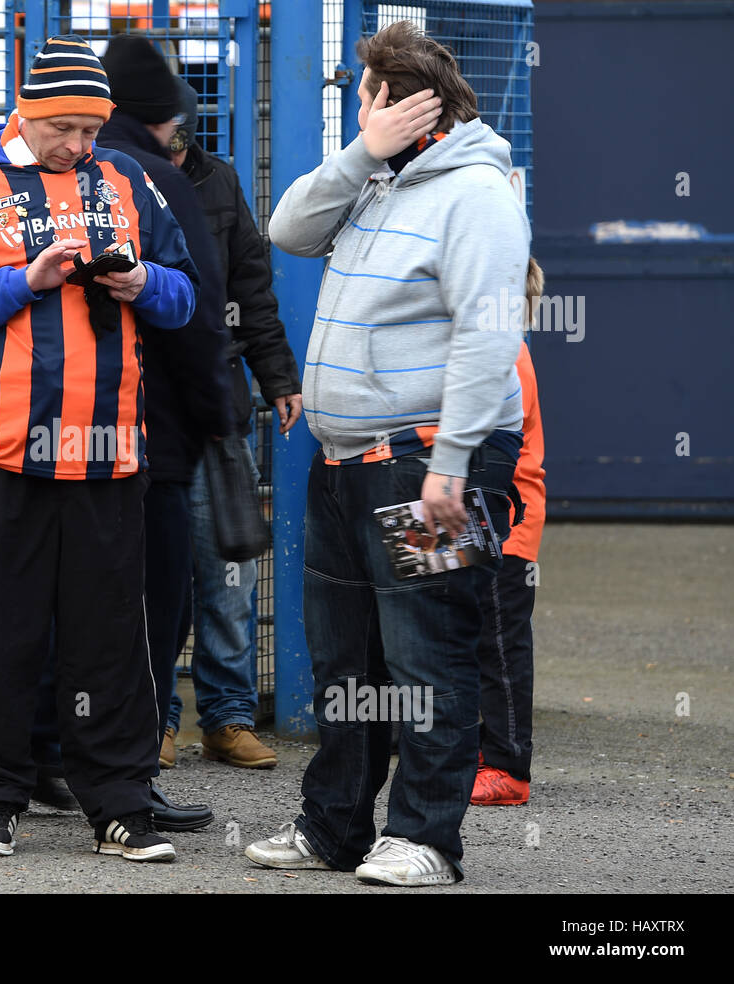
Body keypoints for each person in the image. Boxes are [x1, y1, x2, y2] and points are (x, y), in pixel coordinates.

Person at [244, 20, 529, 886]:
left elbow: (488, 339)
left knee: (426, 652)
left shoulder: (475, 194)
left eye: (364, 99)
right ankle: (334, 828)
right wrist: (361, 154)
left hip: (428, 463)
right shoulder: (379, 180)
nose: (352, 113)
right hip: (346, 463)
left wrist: (451, 468)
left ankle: (427, 841)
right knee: (347, 661)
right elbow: (288, 229)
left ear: (402, 107)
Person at [0, 35, 201, 862]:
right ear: (26, 115)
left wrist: (143, 282)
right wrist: (24, 281)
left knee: (110, 637)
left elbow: (185, 296)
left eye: (91, 128)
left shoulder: (126, 178)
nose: (80, 145)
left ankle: (118, 804)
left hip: (110, 452)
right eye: (65, 128)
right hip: (2, 454)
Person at [92, 36, 234, 832]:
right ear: (166, 113)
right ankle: (131, 778)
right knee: (155, 609)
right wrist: (217, 417)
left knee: (74, 604)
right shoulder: (163, 183)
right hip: (159, 439)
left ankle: (51, 754)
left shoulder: (56, 177)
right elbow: (199, 318)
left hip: (68, 437)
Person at [164, 77, 303, 770]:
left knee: (230, 573)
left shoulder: (217, 184)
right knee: (150, 576)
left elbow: (252, 287)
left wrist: (277, 378)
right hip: (148, 408)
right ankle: (154, 721)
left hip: (218, 410)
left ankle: (226, 717)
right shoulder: (112, 179)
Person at [473, 262, 547, 807]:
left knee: (501, 647)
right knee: (477, 641)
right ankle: (486, 750)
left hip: (508, 528)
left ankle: (508, 767)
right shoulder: (499, 350)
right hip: (485, 520)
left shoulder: (507, 358)